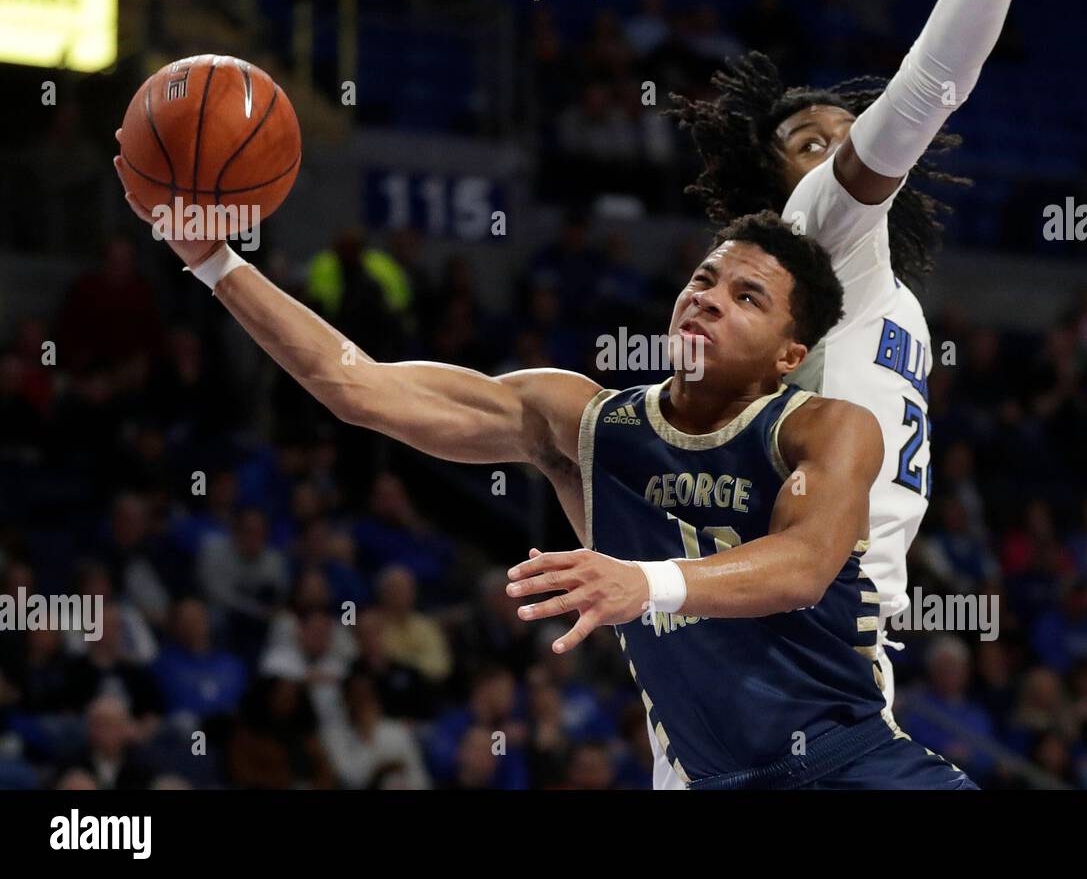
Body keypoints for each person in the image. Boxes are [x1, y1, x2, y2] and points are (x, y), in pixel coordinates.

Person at [110, 158, 973, 789]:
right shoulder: (586, 422)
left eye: (747, 296)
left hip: (853, 763)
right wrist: (215, 263)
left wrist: (644, 582)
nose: (708, 296)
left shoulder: (825, 427)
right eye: (705, 278)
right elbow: (356, 386)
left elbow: (804, 566)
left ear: (792, 353)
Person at [662, 0, 1040, 786]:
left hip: (835, 643)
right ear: (778, 184)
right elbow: (926, 92)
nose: (840, 148)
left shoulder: (883, 290)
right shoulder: (812, 230)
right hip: (785, 642)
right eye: (808, 143)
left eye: (846, 129)